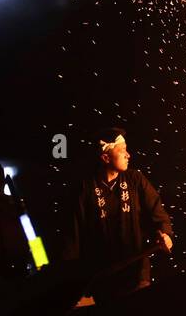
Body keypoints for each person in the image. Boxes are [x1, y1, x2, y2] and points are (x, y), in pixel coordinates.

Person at [65, 127, 173, 299]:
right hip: (103, 276)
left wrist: (164, 233)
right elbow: (73, 234)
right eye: (122, 150)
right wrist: (72, 279)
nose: (128, 155)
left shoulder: (135, 179)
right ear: (105, 157)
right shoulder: (85, 188)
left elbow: (156, 211)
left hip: (137, 273)